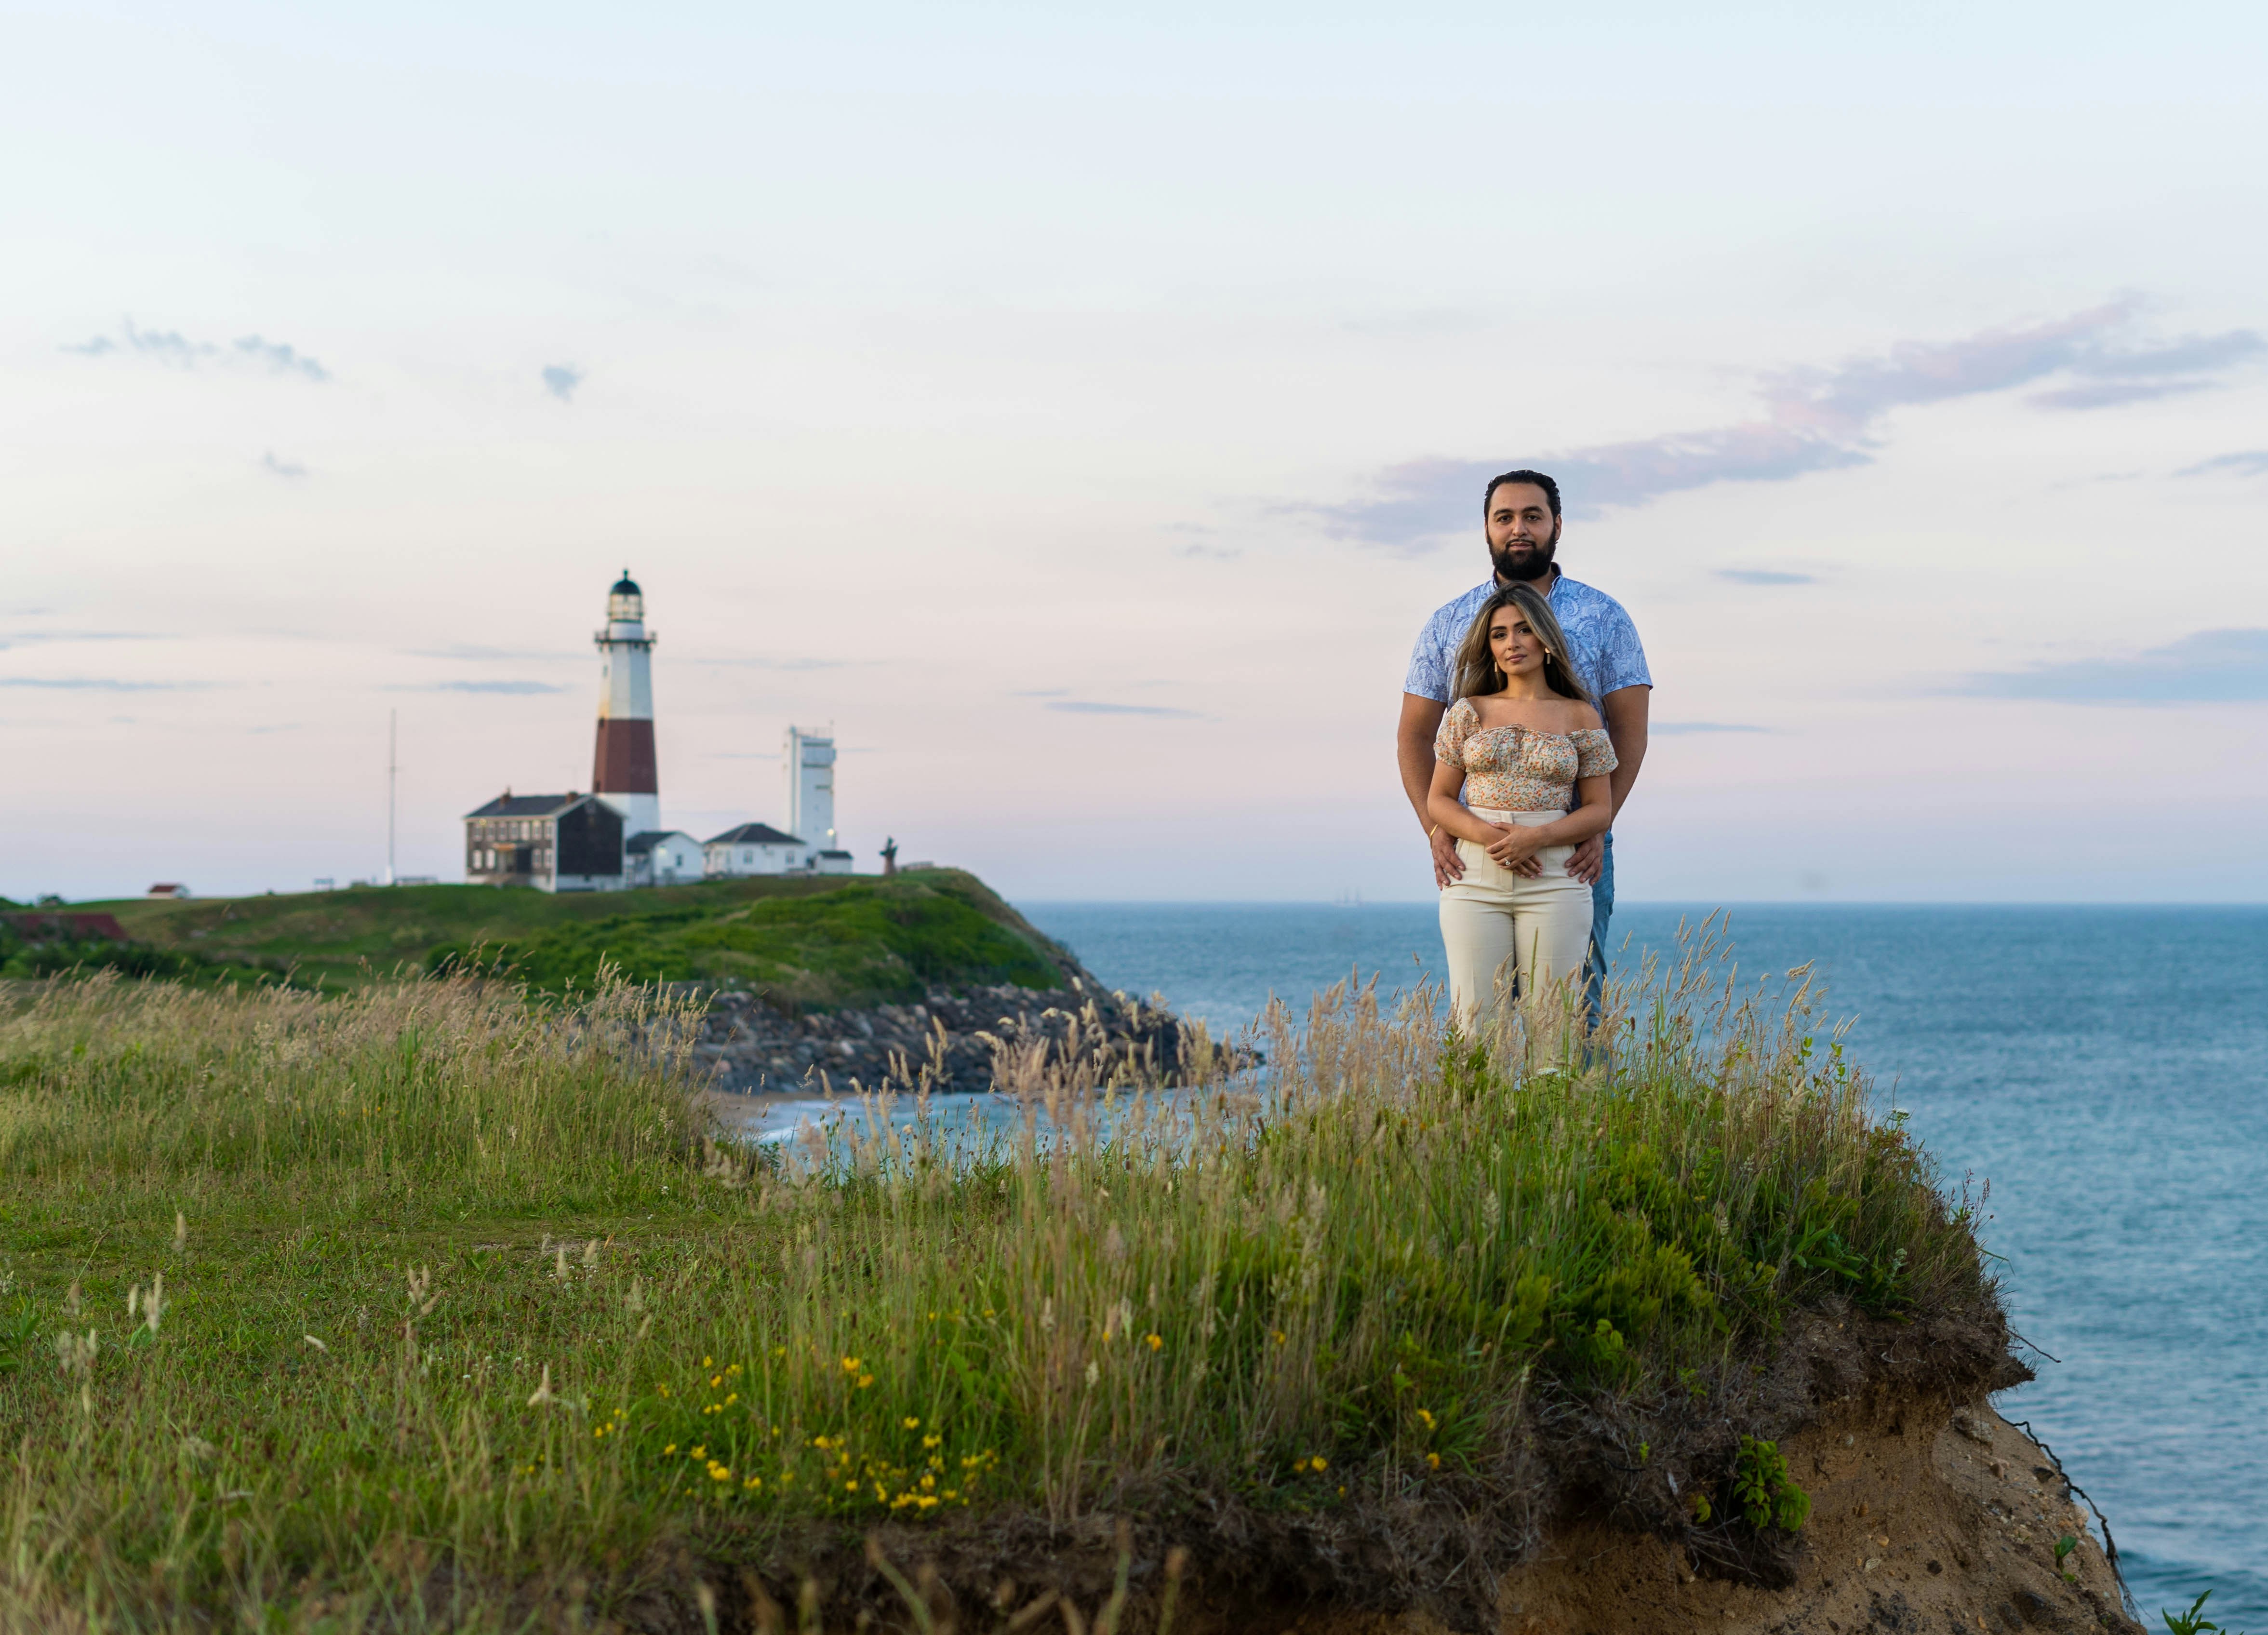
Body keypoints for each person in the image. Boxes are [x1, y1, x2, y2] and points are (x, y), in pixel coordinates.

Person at [1397, 469, 1651, 1017]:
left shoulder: (1605, 617)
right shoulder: (1447, 623)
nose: (1518, 528)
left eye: (1532, 516)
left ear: (1556, 525)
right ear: (1486, 529)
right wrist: (1436, 828)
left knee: (1570, 1013)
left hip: (1571, 849)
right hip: (1474, 851)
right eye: (1504, 517)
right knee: (1476, 1016)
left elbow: (1628, 734)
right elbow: (1415, 735)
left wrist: (1594, 829)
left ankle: (1571, 1104)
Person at [1426, 584, 1616, 1027]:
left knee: (1554, 1032)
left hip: (1556, 876)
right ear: (1489, 648)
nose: (1512, 643)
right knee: (1476, 1033)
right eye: (1499, 634)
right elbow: (1439, 799)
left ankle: (1550, 1098)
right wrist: (1495, 839)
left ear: (1546, 639)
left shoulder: (1580, 715)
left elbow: (1598, 810)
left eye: (1523, 630)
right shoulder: (1469, 711)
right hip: (1474, 876)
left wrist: (1538, 837)